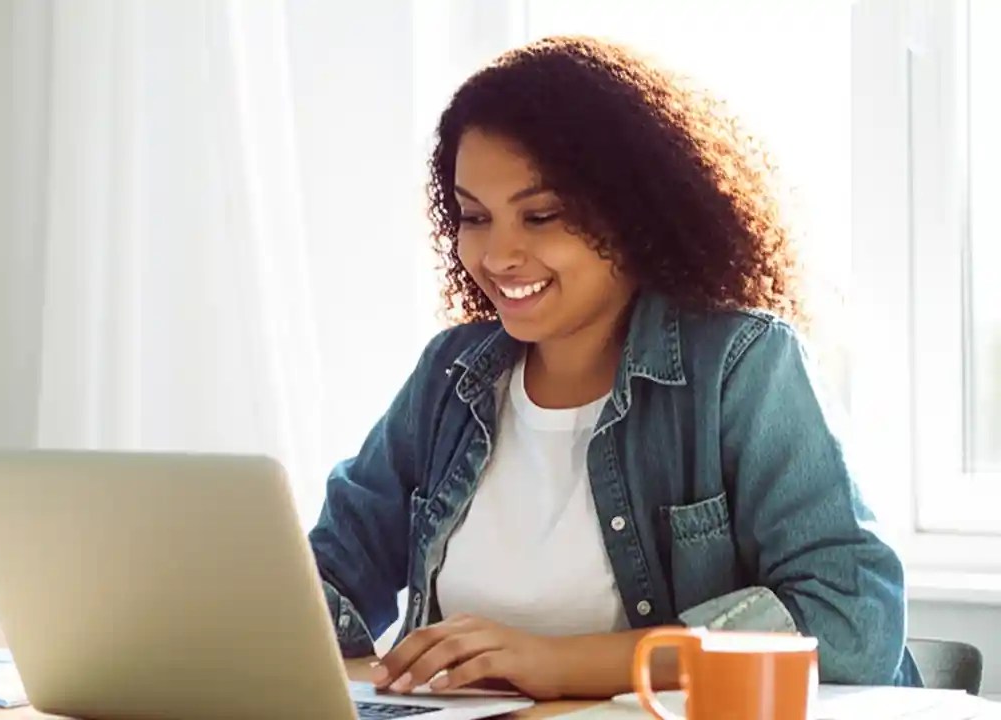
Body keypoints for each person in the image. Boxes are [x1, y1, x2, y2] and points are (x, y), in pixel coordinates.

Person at [307, 35, 920, 700]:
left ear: (633, 215)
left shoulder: (740, 366)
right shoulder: (451, 375)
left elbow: (851, 620)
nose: (498, 254)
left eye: (540, 216)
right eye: (475, 216)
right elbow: (323, 581)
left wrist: (562, 664)